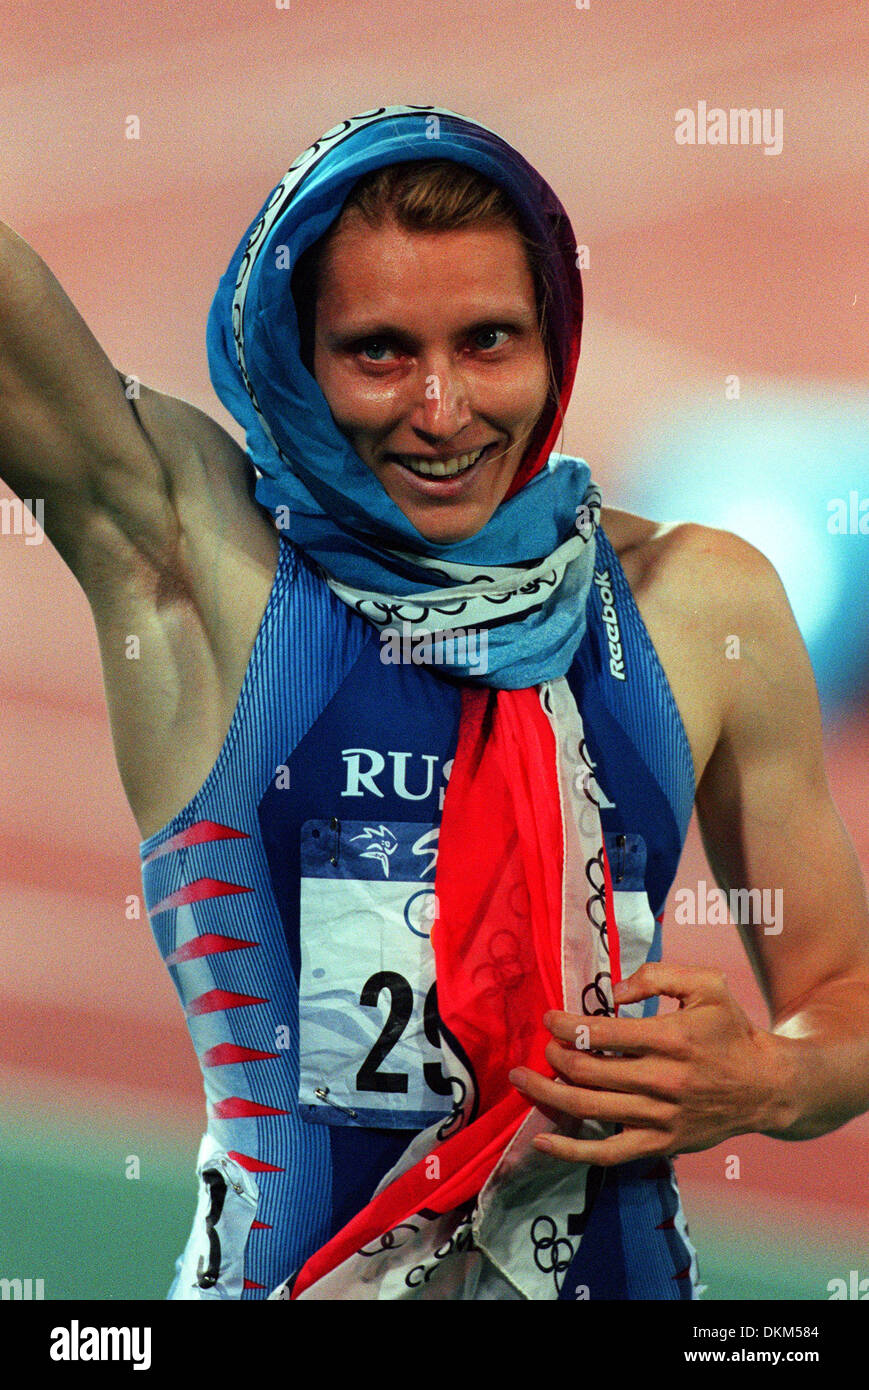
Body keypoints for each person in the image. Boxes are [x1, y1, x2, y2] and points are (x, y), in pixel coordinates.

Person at [1, 105, 868, 1301]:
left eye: (487, 341)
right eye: (377, 352)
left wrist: (770, 1080)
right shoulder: (197, 572)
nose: (443, 407)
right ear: (291, 359)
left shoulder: (695, 602)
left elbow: (843, 1000)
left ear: (554, 339)